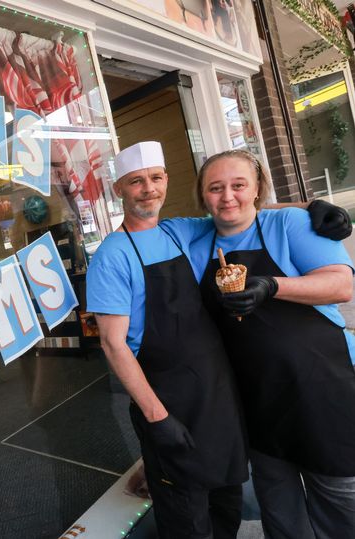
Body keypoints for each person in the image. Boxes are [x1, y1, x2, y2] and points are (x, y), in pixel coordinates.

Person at [189, 149, 355, 539]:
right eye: (215, 188)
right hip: (258, 402)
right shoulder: (196, 240)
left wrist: (272, 285)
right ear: (202, 196)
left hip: (321, 392)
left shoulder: (290, 223)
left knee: (341, 504)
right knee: (280, 515)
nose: (227, 196)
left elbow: (341, 284)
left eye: (239, 185)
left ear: (258, 188)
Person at [86, 141, 249, 538]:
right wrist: (157, 418)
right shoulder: (112, 255)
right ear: (119, 189)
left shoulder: (178, 232)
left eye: (155, 178)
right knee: (186, 515)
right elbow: (113, 344)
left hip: (214, 393)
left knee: (227, 501)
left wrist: (309, 211)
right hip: (166, 399)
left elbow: (239, 212)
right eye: (136, 181)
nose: (149, 189)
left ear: (166, 181)